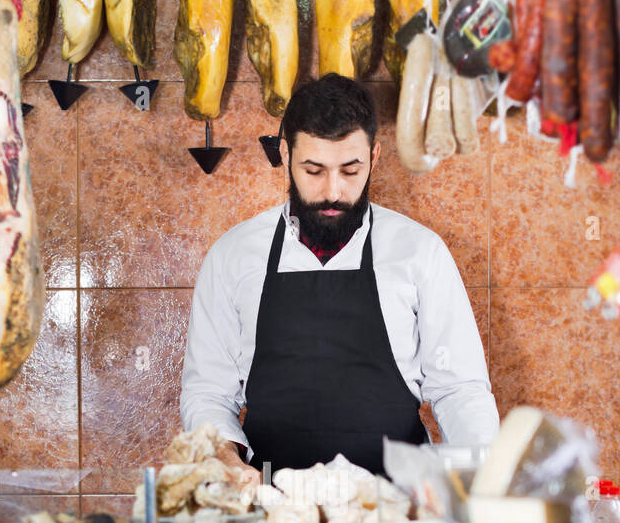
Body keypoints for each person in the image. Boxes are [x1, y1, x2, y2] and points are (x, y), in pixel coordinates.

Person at [181, 73, 499, 479]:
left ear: (376, 156)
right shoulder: (233, 256)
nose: (333, 190)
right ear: (285, 154)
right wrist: (226, 464)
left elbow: (460, 390)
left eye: (351, 170)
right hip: (272, 511)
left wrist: (484, 482)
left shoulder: (420, 252)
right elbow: (209, 392)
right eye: (314, 170)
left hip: (397, 511)